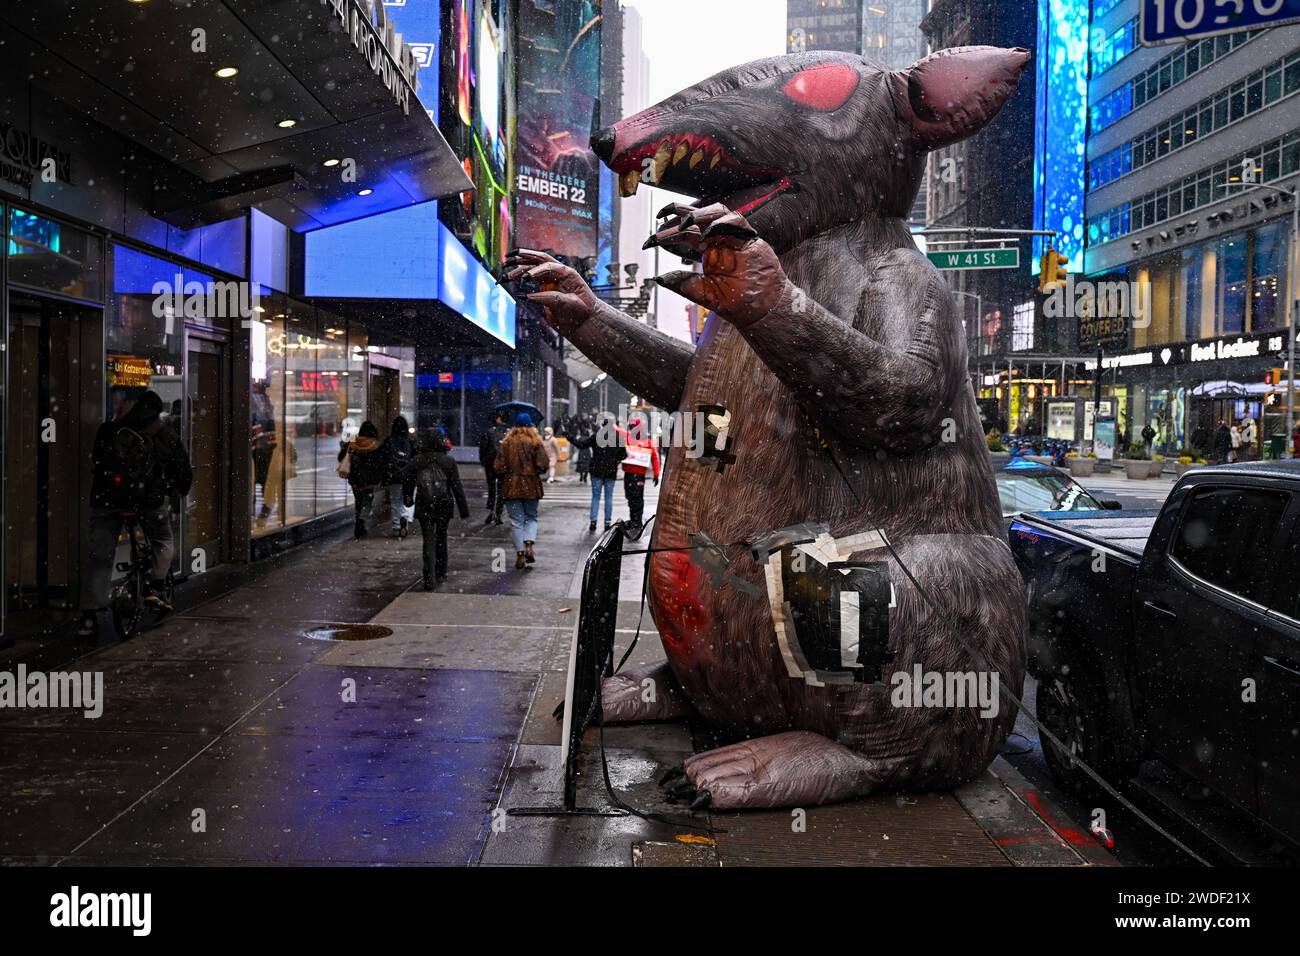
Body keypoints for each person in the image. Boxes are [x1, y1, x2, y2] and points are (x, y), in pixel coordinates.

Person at [80, 390, 193, 637]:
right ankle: (156, 586)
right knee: (163, 540)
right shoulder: (166, 435)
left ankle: (88, 616)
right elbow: (183, 475)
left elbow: (97, 463)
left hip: (106, 501)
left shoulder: (109, 430)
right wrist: (175, 492)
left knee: (100, 556)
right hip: (147, 502)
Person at [402, 428, 469, 590]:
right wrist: (463, 508)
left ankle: (429, 576)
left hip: (424, 503)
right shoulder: (448, 461)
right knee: (442, 537)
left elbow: (408, 481)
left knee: (428, 539)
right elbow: (456, 486)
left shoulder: (417, 460)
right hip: (443, 503)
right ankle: (441, 571)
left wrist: (408, 498)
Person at [494, 412, 551, 569]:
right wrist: (534, 471)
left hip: (511, 486)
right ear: (530, 426)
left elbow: (498, 467)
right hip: (531, 486)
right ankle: (529, 544)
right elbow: (543, 465)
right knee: (531, 517)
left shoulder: (506, 443)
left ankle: (520, 554)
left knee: (516, 521)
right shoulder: (535, 442)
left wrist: (509, 471)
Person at [568, 413, 626, 532]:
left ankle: (593, 522)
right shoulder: (617, 438)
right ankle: (607, 522)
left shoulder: (596, 437)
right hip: (610, 471)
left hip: (596, 471)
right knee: (608, 497)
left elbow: (581, 444)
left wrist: (569, 436)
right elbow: (623, 455)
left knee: (595, 497)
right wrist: (615, 459)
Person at [338, 420, 386, 538]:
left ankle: (358, 521)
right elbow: (381, 461)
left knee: (358, 501)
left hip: (355, 477)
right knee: (367, 501)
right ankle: (362, 520)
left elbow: (341, 457)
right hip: (370, 478)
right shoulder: (376, 444)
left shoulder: (353, 441)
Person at [619, 413, 660, 536]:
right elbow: (655, 458)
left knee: (636, 497)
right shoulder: (632, 439)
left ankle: (636, 520)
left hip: (635, 475)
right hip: (631, 474)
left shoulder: (643, 441)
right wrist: (656, 474)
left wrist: (657, 474)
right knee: (632, 497)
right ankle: (634, 520)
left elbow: (654, 458)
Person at [374, 416, 415, 538]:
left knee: (395, 500)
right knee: (407, 499)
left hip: (394, 476)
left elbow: (381, 457)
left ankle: (397, 526)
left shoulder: (389, 441)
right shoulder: (410, 441)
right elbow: (416, 457)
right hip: (408, 476)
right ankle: (405, 517)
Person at [478, 411, 508, 525]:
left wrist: (483, 461)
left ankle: (492, 511)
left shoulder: (488, 432)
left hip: (490, 465)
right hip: (503, 465)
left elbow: (483, 448)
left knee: (492, 488)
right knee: (501, 489)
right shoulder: (508, 433)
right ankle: (498, 512)